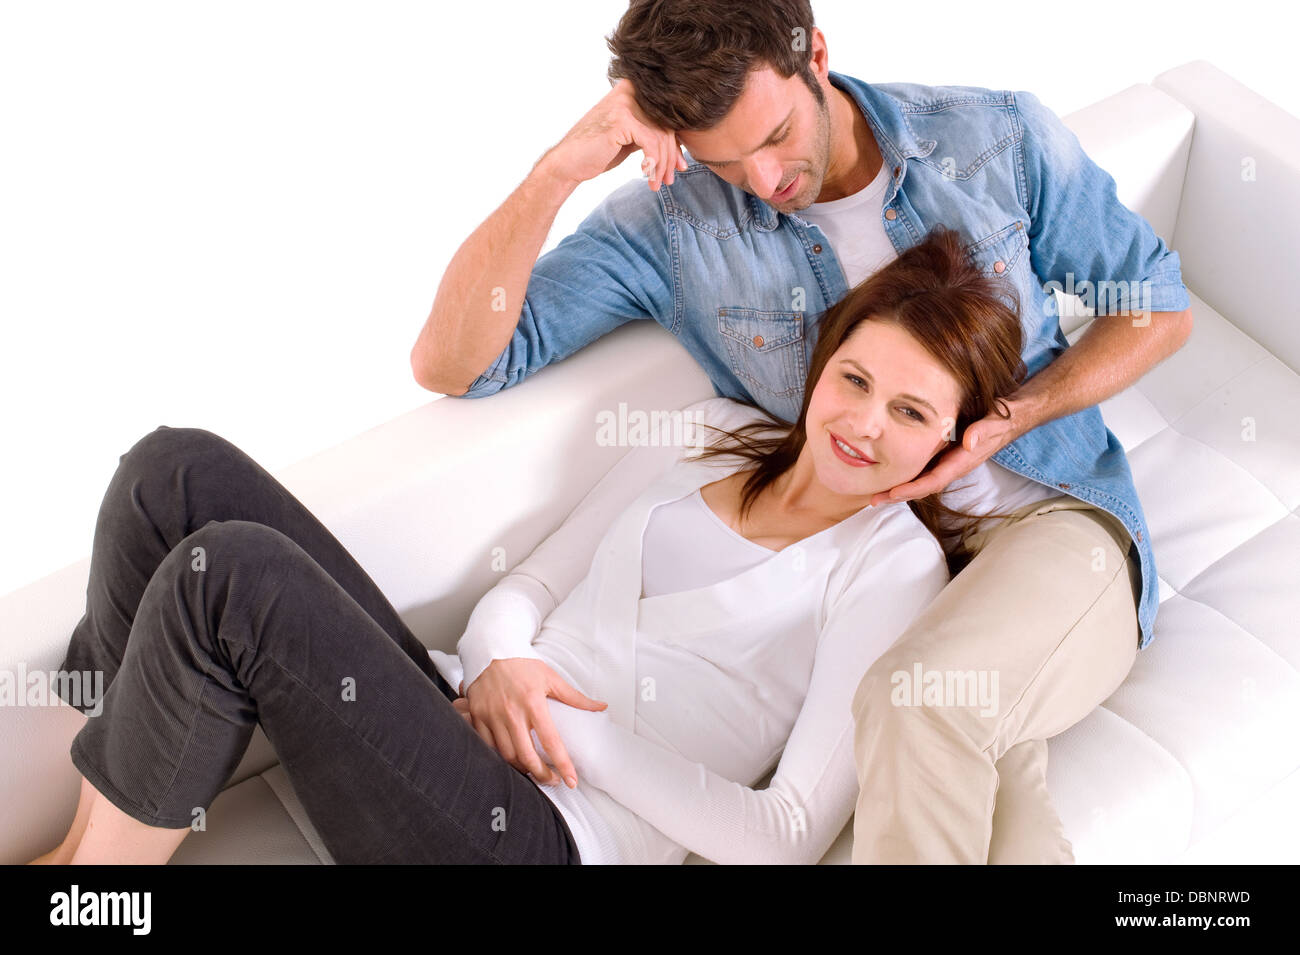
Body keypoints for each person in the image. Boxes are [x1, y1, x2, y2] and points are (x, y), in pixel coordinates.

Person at [409, 0, 1192, 863]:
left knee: (920, 702)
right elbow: (457, 363)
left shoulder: (990, 137)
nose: (765, 178)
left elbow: (1156, 302)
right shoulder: (676, 226)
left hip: (1044, 524)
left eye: (777, 134)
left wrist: (1009, 419)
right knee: (1011, 826)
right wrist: (556, 172)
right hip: (881, 563)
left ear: (815, 52)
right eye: (727, 161)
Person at [33, 225, 1020, 865]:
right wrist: (504, 667)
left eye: (909, 411)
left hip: (545, 835)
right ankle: (84, 842)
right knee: (174, 472)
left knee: (233, 580)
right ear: (822, 362)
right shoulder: (704, 429)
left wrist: (559, 727)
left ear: (951, 435)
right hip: (460, 708)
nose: (863, 423)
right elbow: (538, 578)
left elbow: (785, 835)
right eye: (853, 379)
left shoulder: (892, 568)